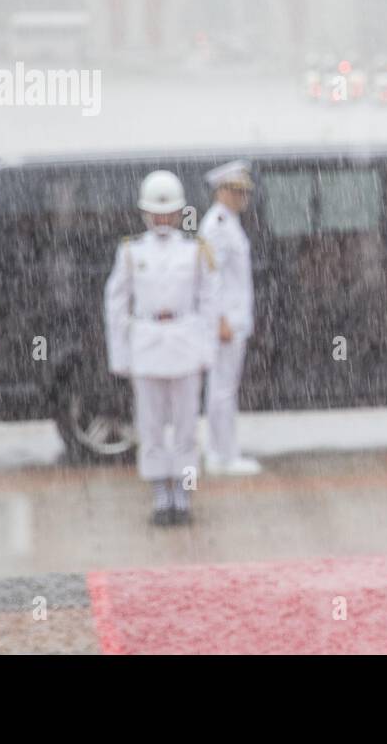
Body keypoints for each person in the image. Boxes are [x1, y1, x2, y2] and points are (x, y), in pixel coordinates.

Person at [104, 170, 220, 526]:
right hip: (147, 342)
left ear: (179, 211)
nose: (162, 218)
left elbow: (209, 302)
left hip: (184, 340)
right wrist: (120, 355)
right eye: (156, 211)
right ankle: (159, 495)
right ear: (145, 213)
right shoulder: (130, 252)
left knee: (186, 427)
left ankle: (182, 497)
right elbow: (116, 305)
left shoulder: (194, 251)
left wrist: (206, 350)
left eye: (168, 211)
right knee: (151, 426)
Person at [199, 160, 261, 476]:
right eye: (237, 191)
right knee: (222, 389)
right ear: (222, 191)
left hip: (234, 318)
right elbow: (212, 278)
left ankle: (222, 451)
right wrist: (220, 319)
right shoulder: (217, 225)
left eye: (244, 191)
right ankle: (221, 454)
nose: (243, 197)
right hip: (226, 321)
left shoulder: (230, 222)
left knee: (225, 388)